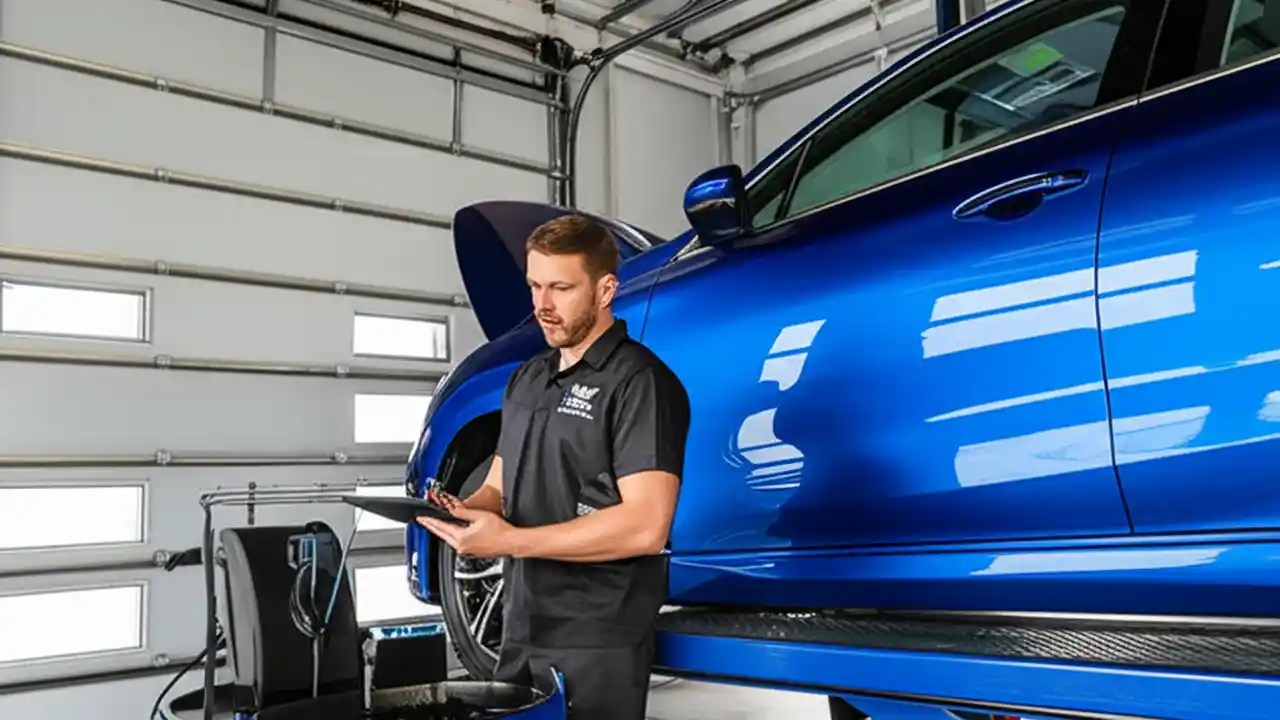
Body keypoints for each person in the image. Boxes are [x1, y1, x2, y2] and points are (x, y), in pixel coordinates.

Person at [417, 213, 691, 720]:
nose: (542, 305)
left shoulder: (641, 383)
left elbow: (645, 527)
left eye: (561, 288)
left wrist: (509, 541)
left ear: (605, 289)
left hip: (597, 640)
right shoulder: (527, 379)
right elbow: (500, 482)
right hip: (521, 627)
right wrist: (465, 510)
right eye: (535, 286)